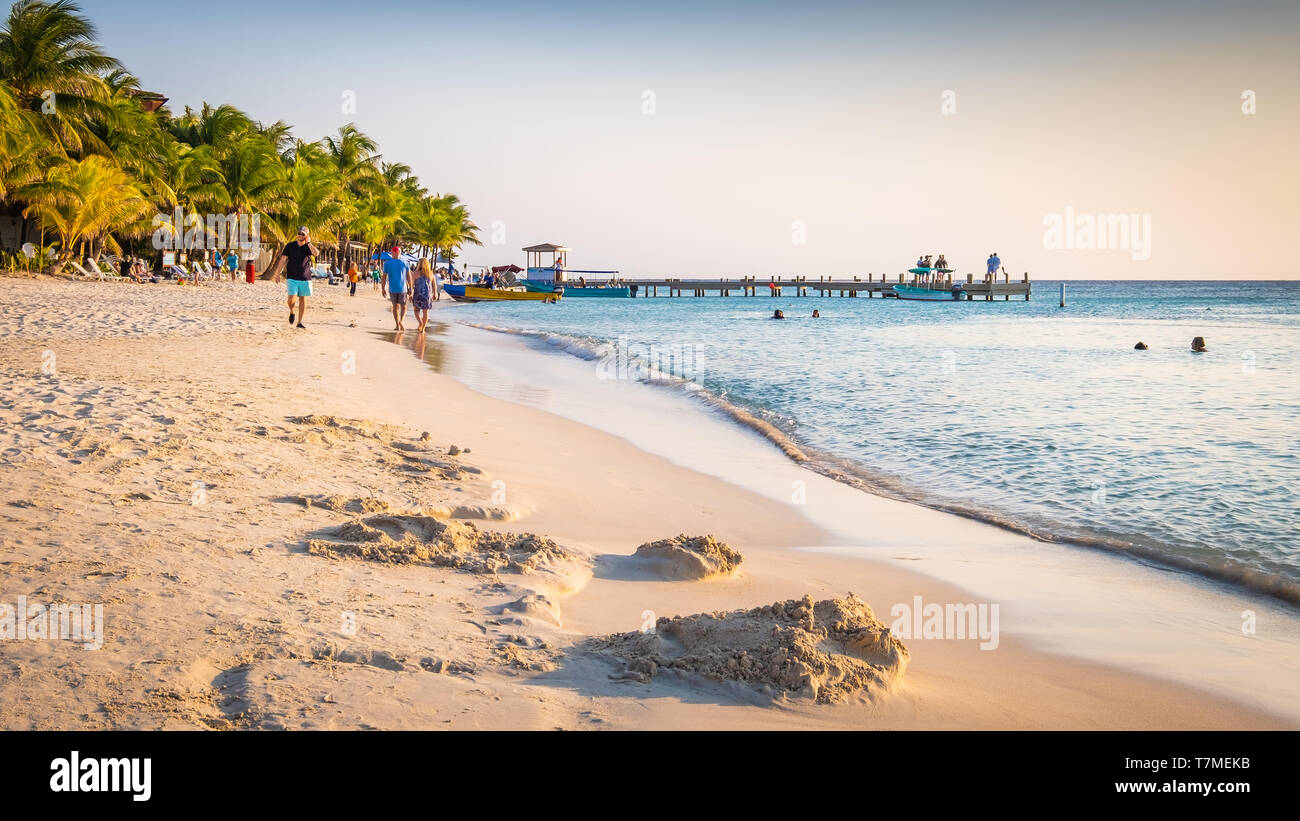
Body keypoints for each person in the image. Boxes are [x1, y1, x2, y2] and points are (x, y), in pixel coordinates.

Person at [268, 226, 318, 329]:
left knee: (303, 299)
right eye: (299, 233)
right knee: (291, 299)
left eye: (303, 234)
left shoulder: (308, 247)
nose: (300, 235)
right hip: (292, 277)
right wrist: (277, 274)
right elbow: (282, 260)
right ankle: (292, 311)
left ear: (306, 236)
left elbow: (316, 253)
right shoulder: (290, 246)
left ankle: (299, 322)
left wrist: (308, 243)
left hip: (305, 277)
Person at [382, 246, 412, 330]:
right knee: (403, 306)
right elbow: (409, 276)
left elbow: (384, 277)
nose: (392, 254)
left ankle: (398, 324)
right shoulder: (405, 262)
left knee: (395, 307)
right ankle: (400, 322)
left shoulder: (387, 263)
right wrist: (410, 287)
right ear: (399, 252)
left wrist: (383, 288)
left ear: (396, 252)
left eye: (393, 252)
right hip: (402, 289)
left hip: (394, 289)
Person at [412, 258, 435, 332]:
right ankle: (423, 328)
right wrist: (435, 293)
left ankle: (420, 323)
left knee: (416, 310)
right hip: (427, 295)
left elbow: (411, 284)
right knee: (426, 312)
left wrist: (410, 294)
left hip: (417, 294)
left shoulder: (415, 273)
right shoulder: (430, 273)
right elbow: (434, 284)